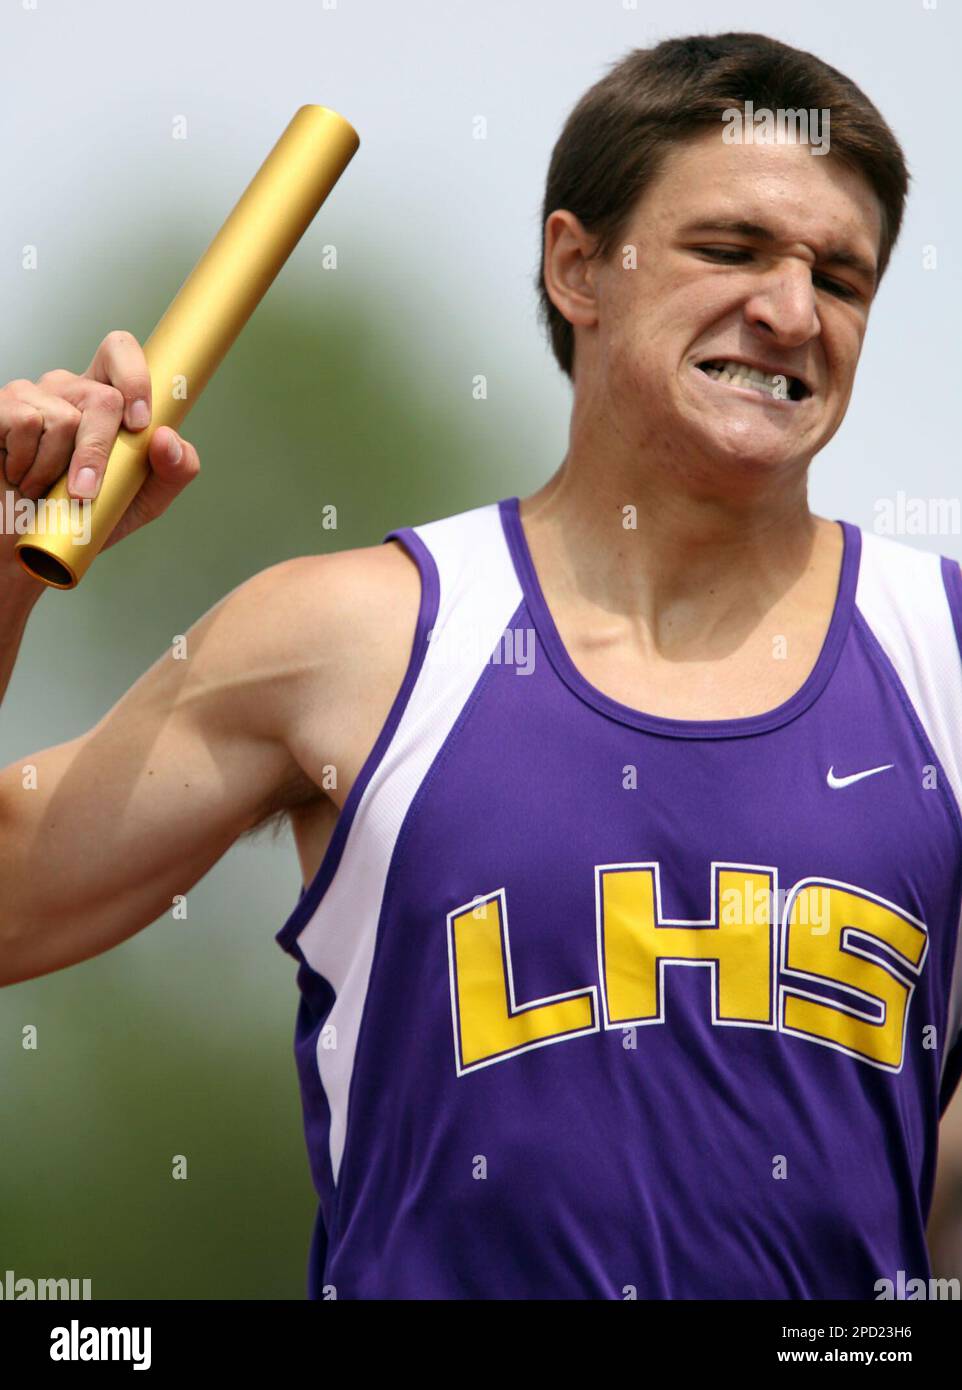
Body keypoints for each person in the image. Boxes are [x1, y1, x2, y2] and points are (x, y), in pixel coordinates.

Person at [2, 31, 961, 1299]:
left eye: (838, 275)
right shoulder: (353, 639)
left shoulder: (939, 656)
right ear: (578, 266)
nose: (790, 311)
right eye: (728, 250)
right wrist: (11, 563)